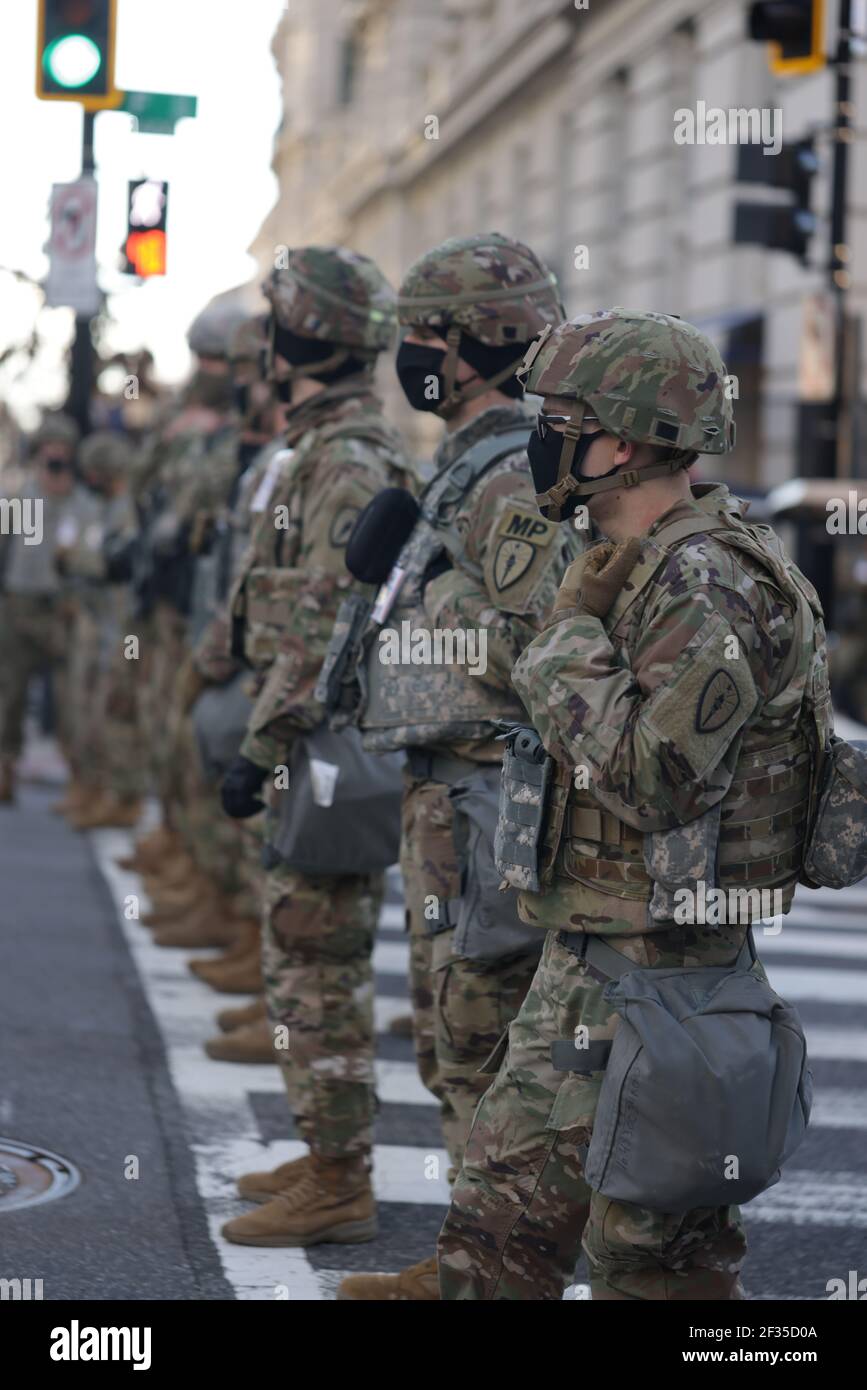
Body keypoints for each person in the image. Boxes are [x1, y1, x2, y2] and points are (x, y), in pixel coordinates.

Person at [437, 307, 829, 1300]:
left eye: (559, 415)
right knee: (497, 1235)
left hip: (668, 985)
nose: (542, 435)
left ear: (621, 441)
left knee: (654, 1267)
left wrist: (568, 639)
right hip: (597, 962)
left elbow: (658, 782)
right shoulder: (636, 564)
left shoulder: (704, 583)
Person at [333, 232, 575, 1300]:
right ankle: (475, 1260)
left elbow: (548, 651)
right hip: (451, 793)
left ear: (483, 341)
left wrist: (436, 606)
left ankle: (496, 1271)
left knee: (486, 1044)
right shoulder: (466, 459)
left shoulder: (514, 470)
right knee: (455, 1041)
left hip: (489, 801)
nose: (411, 353)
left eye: (426, 334)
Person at [219, 246, 413, 1247]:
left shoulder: (344, 459)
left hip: (324, 743)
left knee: (317, 961)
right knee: (305, 954)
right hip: (308, 734)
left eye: (278, 320)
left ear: (305, 337)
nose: (265, 340)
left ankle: (342, 1177)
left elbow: (327, 626)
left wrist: (257, 747)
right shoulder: (323, 447)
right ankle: (328, 1150)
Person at [0, 412, 86, 803]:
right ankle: (5, 766)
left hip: (65, 607)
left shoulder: (81, 501)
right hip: (20, 602)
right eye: (49, 450)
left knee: (73, 694)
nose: (55, 457)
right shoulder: (19, 495)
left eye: (62, 451)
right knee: (10, 690)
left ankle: (81, 779)